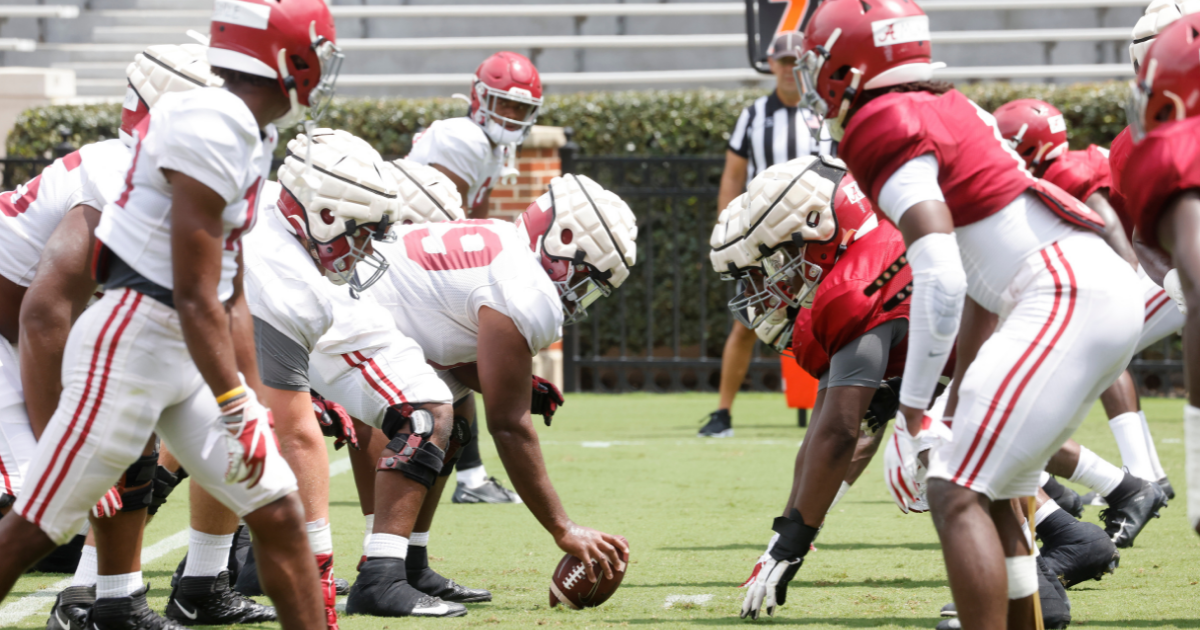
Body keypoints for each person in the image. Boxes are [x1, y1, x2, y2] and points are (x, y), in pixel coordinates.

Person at [797, 1, 1142, 628]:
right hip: (1079, 287)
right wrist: (950, 404)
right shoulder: (943, 104)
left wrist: (913, 408)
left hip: (1062, 293)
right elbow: (981, 278)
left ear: (848, 64)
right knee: (1001, 483)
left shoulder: (882, 120)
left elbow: (941, 271)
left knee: (953, 486)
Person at [0, 2, 343, 630]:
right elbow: (193, 291)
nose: (324, 63)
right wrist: (235, 400)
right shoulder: (213, 126)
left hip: (181, 347)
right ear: (283, 55)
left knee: (279, 513)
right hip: (132, 342)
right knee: (36, 527)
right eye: (318, 48)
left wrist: (249, 394)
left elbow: (230, 287)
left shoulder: (251, 130)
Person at [345, 173, 634, 614]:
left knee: (454, 419)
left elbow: (448, 345)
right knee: (427, 418)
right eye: (584, 277)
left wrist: (516, 381)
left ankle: (410, 563)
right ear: (562, 241)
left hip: (362, 303)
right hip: (342, 310)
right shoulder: (528, 287)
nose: (581, 296)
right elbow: (509, 426)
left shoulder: (505, 241)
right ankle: (380, 574)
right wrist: (563, 527)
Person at [243, 129, 480, 622]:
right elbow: (295, 434)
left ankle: (383, 573)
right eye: (363, 230)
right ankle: (106, 587)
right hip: (182, 332)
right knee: (209, 431)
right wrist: (318, 559)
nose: (369, 247)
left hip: (301, 301)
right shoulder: (285, 277)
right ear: (325, 214)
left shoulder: (287, 217)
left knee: (430, 413)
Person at [994, 99, 1177, 511]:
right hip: (1152, 266)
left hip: (1157, 271)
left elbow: (1112, 227)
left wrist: (1126, 279)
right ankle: (1147, 474)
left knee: (1092, 347)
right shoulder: (1062, 166)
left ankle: (1140, 477)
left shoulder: (1065, 171)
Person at [406, 50, 544, 503]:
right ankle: (468, 478)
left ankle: (469, 476)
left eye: (521, 108)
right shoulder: (461, 137)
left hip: (421, 260)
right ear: (480, 98)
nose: (512, 115)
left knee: (454, 365)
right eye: (505, 104)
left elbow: (472, 223)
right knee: (453, 363)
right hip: (407, 264)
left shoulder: (489, 145)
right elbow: (443, 215)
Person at [700, 31, 834, 438]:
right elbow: (733, 175)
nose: (790, 70)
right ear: (771, 65)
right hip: (763, 233)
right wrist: (728, 227)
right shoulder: (755, 115)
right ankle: (722, 412)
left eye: (797, 62)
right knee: (748, 317)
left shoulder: (821, 112)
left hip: (814, 231)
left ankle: (832, 411)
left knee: (829, 317)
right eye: (783, 61)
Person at [1123, 12, 1200, 539]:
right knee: (1093, 343)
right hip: (1178, 283)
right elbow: (1140, 235)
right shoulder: (1137, 144)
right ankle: (1143, 478)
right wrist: (1175, 279)